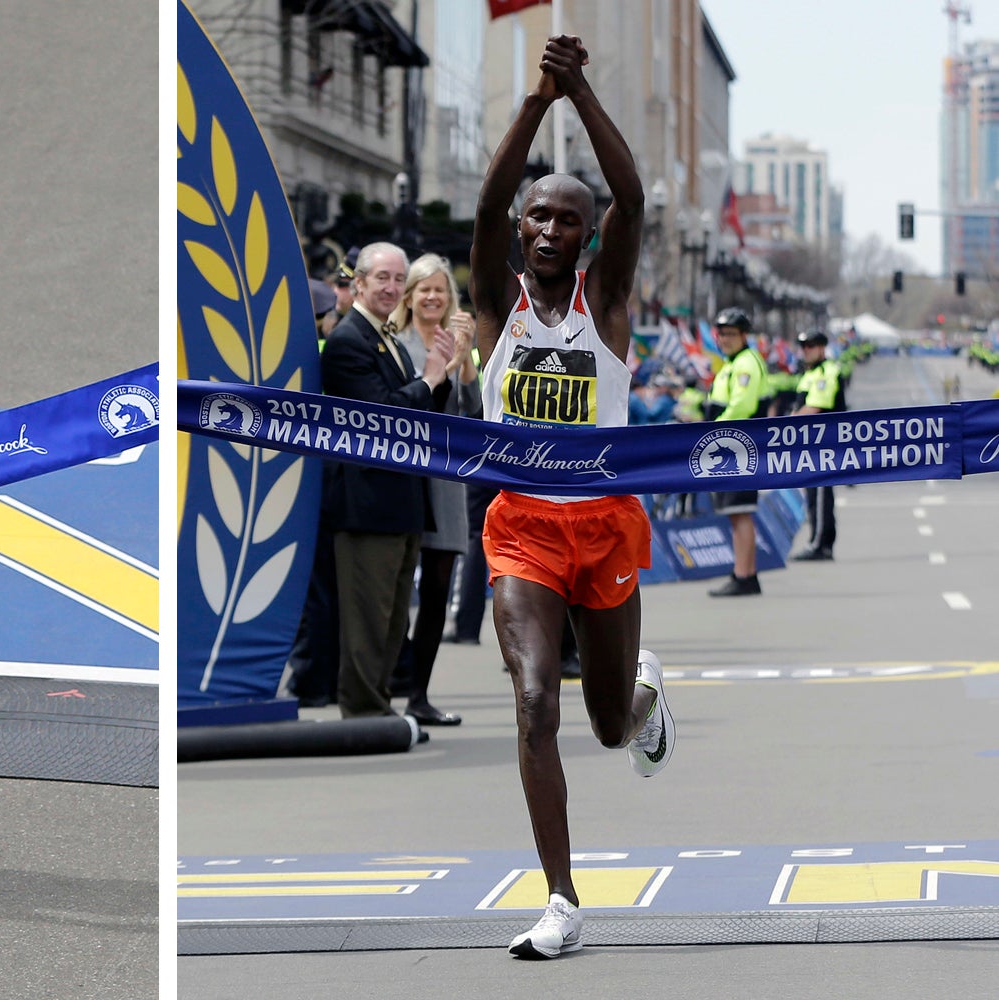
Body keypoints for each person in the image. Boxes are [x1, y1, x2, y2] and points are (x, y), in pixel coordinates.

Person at [467, 34, 671, 960]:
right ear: (522, 229)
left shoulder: (609, 302)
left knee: (601, 723)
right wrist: (534, 104)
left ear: (586, 239)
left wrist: (579, 91)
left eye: (566, 220)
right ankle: (562, 901)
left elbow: (633, 196)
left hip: (606, 527)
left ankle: (640, 697)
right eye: (537, 217)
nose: (549, 229)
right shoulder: (492, 306)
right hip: (522, 535)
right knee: (535, 702)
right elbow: (483, 199)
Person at [320, 241, 455, 719]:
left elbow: (422, 419)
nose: (392, 287)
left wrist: (440, 379)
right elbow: (380, 418)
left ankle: (378, 707)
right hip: (366, 503)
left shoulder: (388, 338)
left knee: (394, 619)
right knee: (368, 620)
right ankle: (363, 711)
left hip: (402, 501)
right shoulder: (348, 340)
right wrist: (429, 380)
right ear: (358, 283)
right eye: (382, 278)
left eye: (399, 279)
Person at [391, 254, 478, 727]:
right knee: (397, 587)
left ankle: (419, 695)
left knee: (439, 588)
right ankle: (394, 679)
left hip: (444, 480)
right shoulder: (394, 340)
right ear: (411, 295)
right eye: (423, 288)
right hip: (403, 475)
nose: (432, 297)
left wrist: (462, 360)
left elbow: (472, 411)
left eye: (440, 290)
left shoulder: (459, 343)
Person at [704, 307, 771, 597]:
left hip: (736, 445)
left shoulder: (745, 363)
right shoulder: (732, 362)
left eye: (731, 334)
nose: (725, 339)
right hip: (731, 444)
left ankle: (744, 576)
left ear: (744, 335)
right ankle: (745, 574)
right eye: (721, 334)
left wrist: (711, 434)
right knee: (736, 513)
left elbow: (741, 407)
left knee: (740, 512)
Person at [791, 329, 846, 560]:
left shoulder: (827, 371)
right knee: (813, 495)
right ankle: (817, 539)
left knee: (822, 495)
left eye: (810, 346)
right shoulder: (809, 373)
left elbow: (815, 406)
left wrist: (787, 423)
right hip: (810, 443)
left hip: (825, 442)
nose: (806, 350)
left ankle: (820, 544)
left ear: (822, 347)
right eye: (803, 346)